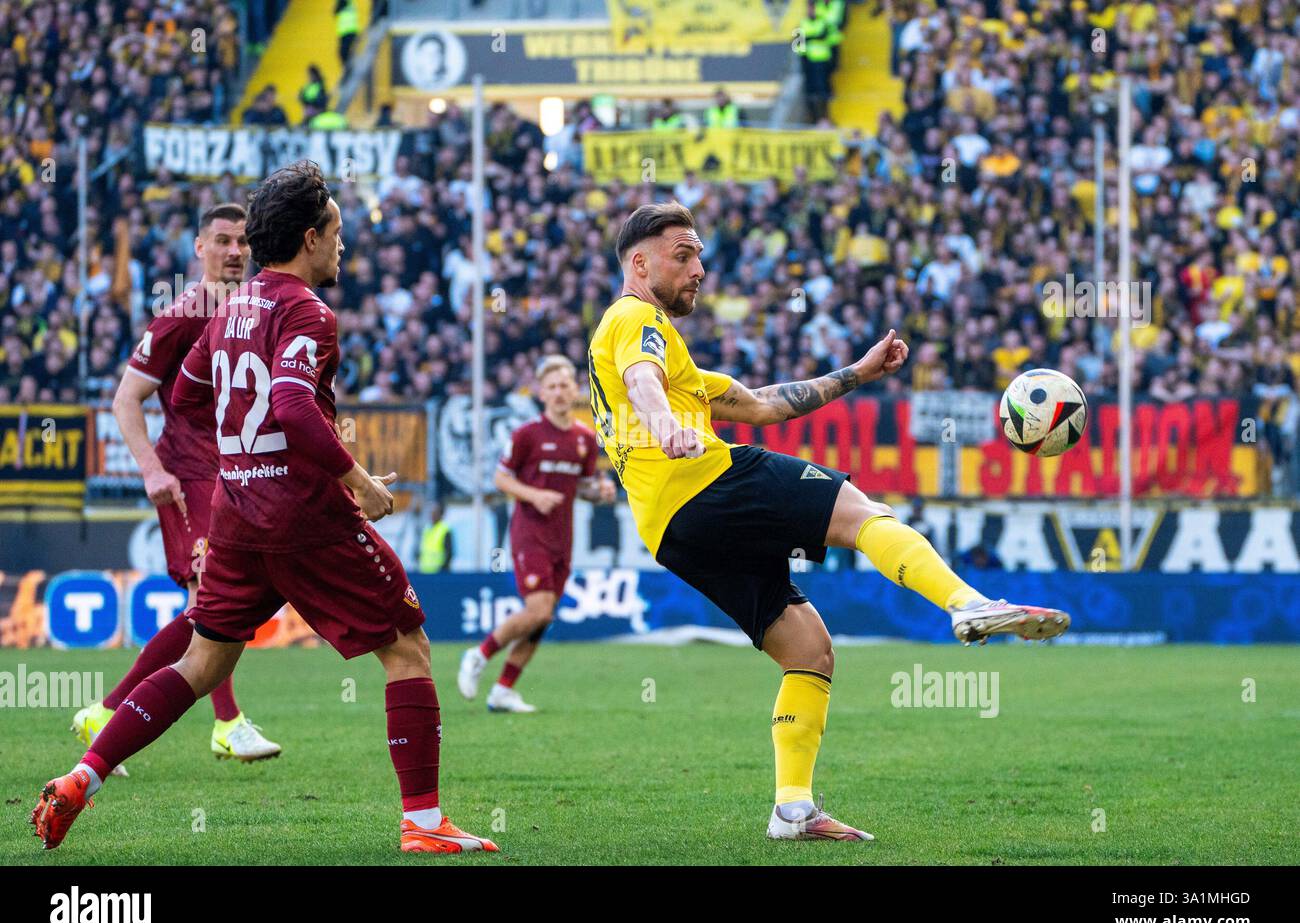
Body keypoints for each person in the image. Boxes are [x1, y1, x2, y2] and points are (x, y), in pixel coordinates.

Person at [32, 161, 497, 855]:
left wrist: (258, 457)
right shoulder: (306, 310)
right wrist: (359, 482)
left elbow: (192, 400)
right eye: (337, 232)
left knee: (201, 664)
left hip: (237, 516)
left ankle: (82, 778)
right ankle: (424, 824)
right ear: (310, 237)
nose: (343, 246)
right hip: (302, 518)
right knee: (407, 648)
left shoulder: (228, 311)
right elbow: (288, 403)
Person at [586, 202, 1070, 841]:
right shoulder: (633, 318)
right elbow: (642, 380)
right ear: (639, 263)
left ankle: (793, 811)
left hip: (675, 533)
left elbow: (761, 404)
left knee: (808, 649)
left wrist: (859, 374)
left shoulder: (675, 361)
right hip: (708, 484)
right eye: (684, 255)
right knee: (859, 512)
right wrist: (666, 425)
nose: (699, 268)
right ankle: (967, 603)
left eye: (700, 254)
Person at [72, 203, 280, 774]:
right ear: (199, 248)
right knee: (214, 603)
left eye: (242, 241)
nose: (235, 251)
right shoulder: (185, 312)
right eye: (222, 241)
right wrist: (151, 470)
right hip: (188, 477)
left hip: (233, 478)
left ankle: (109, 712)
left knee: (215, 608)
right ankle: (229, 724)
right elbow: (125, 398)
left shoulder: (249, 309)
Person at [458, 355, 616, 713]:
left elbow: (586, 487)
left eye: (565, 386)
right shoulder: (527, 435)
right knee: (539, 609)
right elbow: (500, 479)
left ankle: (503, 690)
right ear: (541, 393)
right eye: (552, 387)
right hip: (530, 534)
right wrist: (534, 495)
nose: (559, 393)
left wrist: (600, 493)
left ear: (575, 391)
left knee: (542, 618)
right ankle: (479, 654)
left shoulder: (584, 439)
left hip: (563, 539)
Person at [418, 500, 454, 573]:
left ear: (441, 515)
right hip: (424, 571)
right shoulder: (427, 529)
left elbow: (449, 553)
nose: (432, 515)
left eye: (435, 513)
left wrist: (443, 569)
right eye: (431, 513)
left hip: (439, 573)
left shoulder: (445, 530)